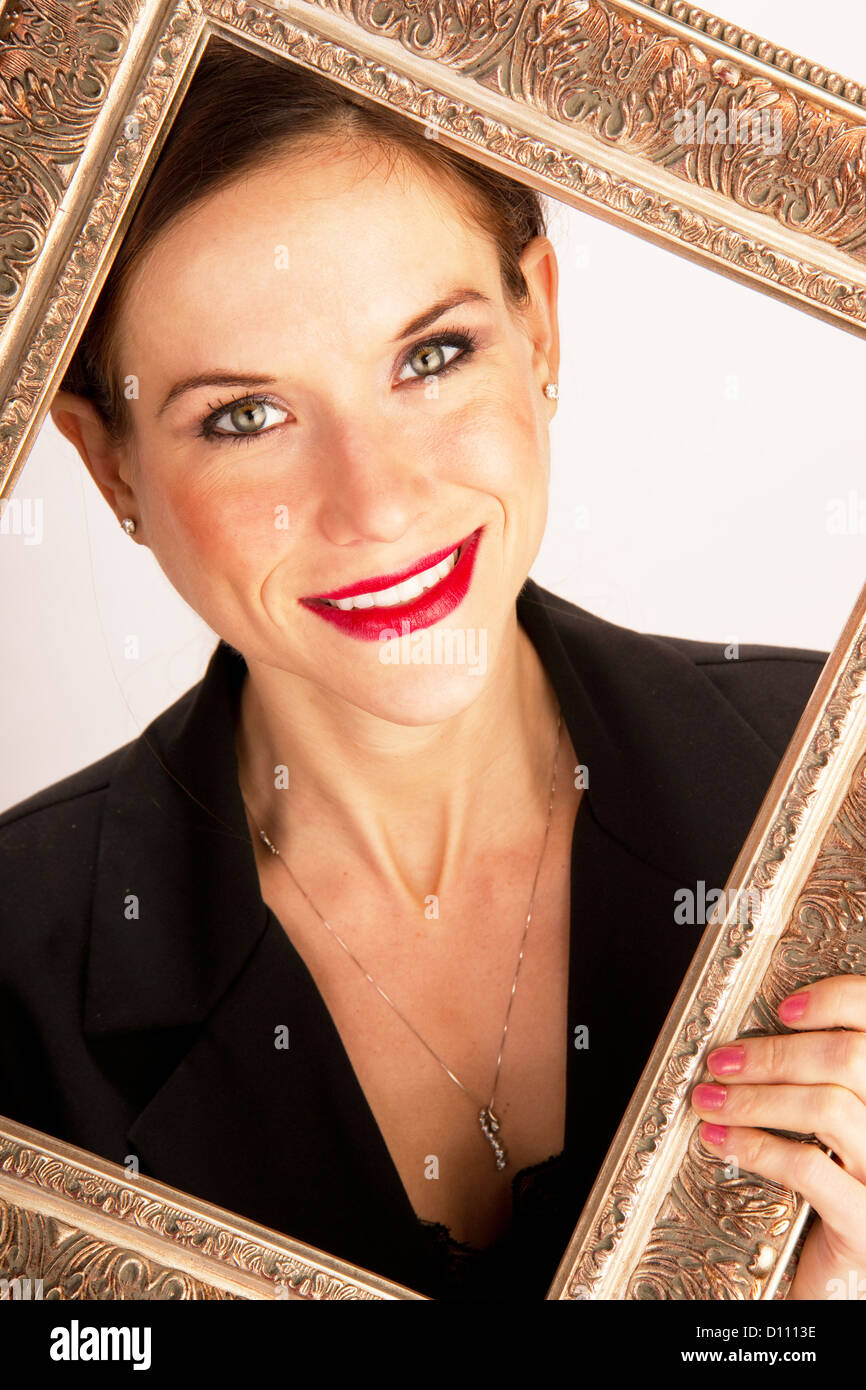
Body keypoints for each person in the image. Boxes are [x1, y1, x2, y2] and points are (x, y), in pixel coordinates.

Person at [1, 39, 863, 1303]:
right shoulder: (17, 967)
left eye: (430, 355)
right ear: (110, 463)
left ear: (540, 323)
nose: (374, 503)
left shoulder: (839, 785)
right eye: (244, 415)